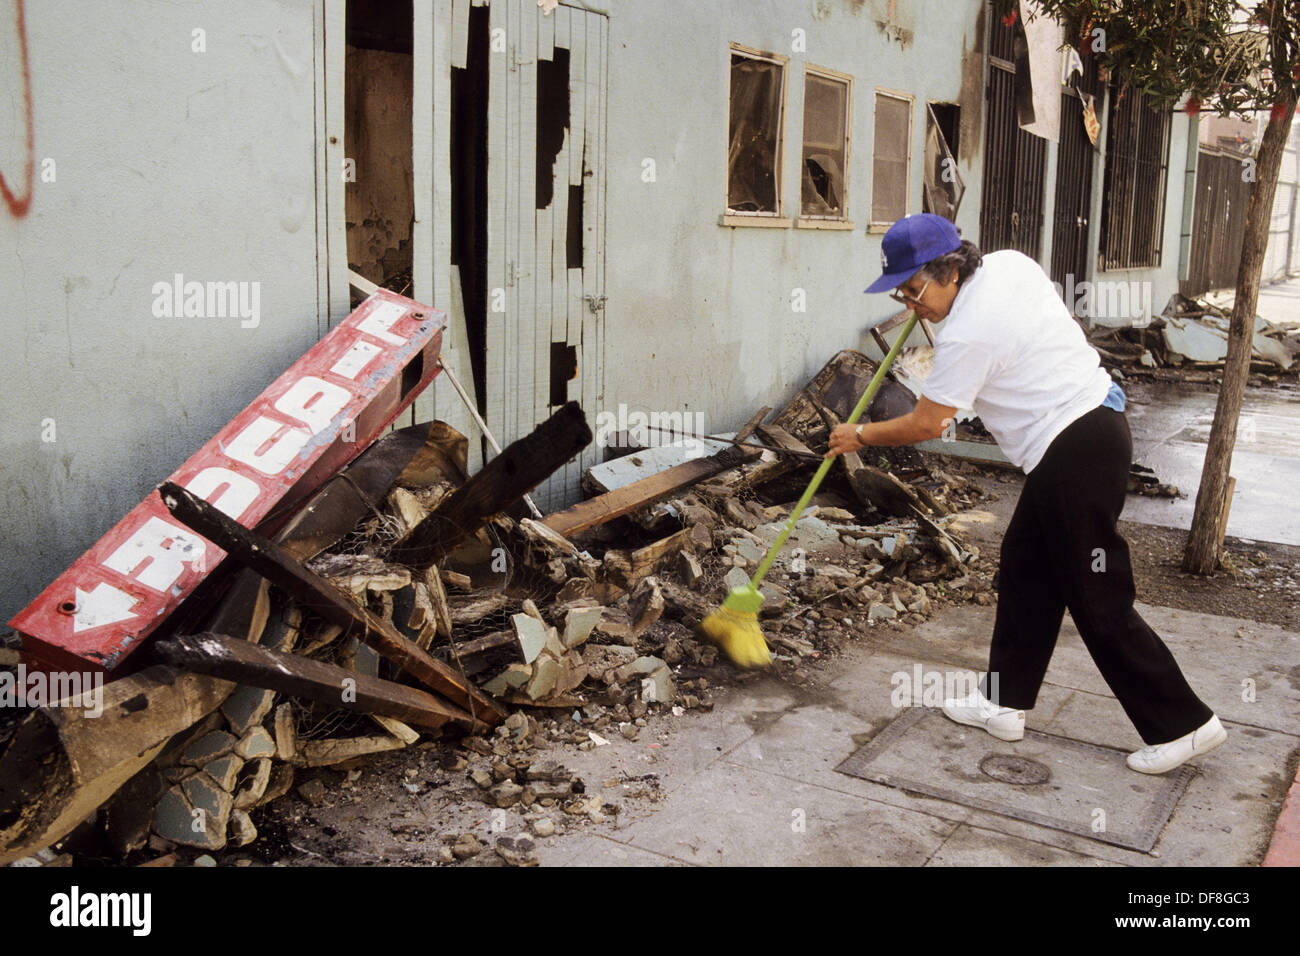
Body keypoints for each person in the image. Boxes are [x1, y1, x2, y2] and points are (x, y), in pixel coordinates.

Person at [827, 213, 1225, 774]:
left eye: (915, 291)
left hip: (1076, 447)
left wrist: (859, 435)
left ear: (949, 272)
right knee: (1025, 570)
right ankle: (1004, 701)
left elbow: (927, 423)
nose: (911, 304)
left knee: (1096, 592)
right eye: (901, 293)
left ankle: (1185, 724)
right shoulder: (1010, 264)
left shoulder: (967, 333)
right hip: (1086, 429)